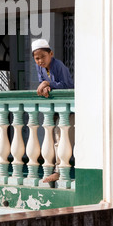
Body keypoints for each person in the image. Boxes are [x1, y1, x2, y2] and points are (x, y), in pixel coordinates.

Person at [31, 38, 74, 183]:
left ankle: (58, 171)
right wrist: (47, 86)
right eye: (37, 58)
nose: (40, 61)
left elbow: (68, 85)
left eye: (43, 57)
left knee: (62, 138)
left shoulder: (58, 65)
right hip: (56, 108)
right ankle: (56, 170)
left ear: (51, 54)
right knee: (56, 138)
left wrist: (48, 83)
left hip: (67, 109)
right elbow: (42, 81)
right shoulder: (40, 67)